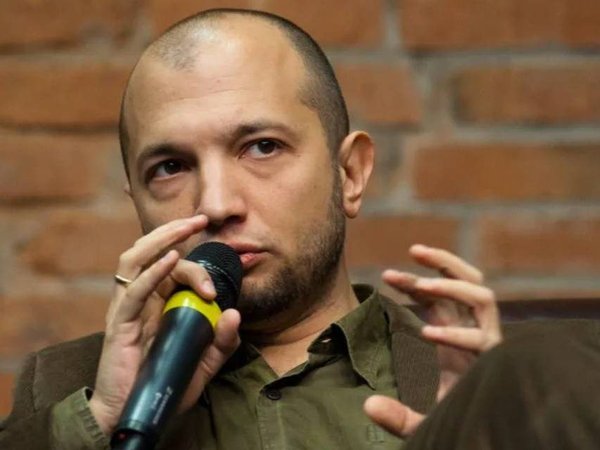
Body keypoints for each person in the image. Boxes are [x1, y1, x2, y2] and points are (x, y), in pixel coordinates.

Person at [1, 8, 597, 450]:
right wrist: (106, 420)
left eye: (261, 147)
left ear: (350, 174)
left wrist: (501, 424)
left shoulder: (495, 383)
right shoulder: (66, 392)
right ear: (138, 203)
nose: (216, 203)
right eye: (171, 167)